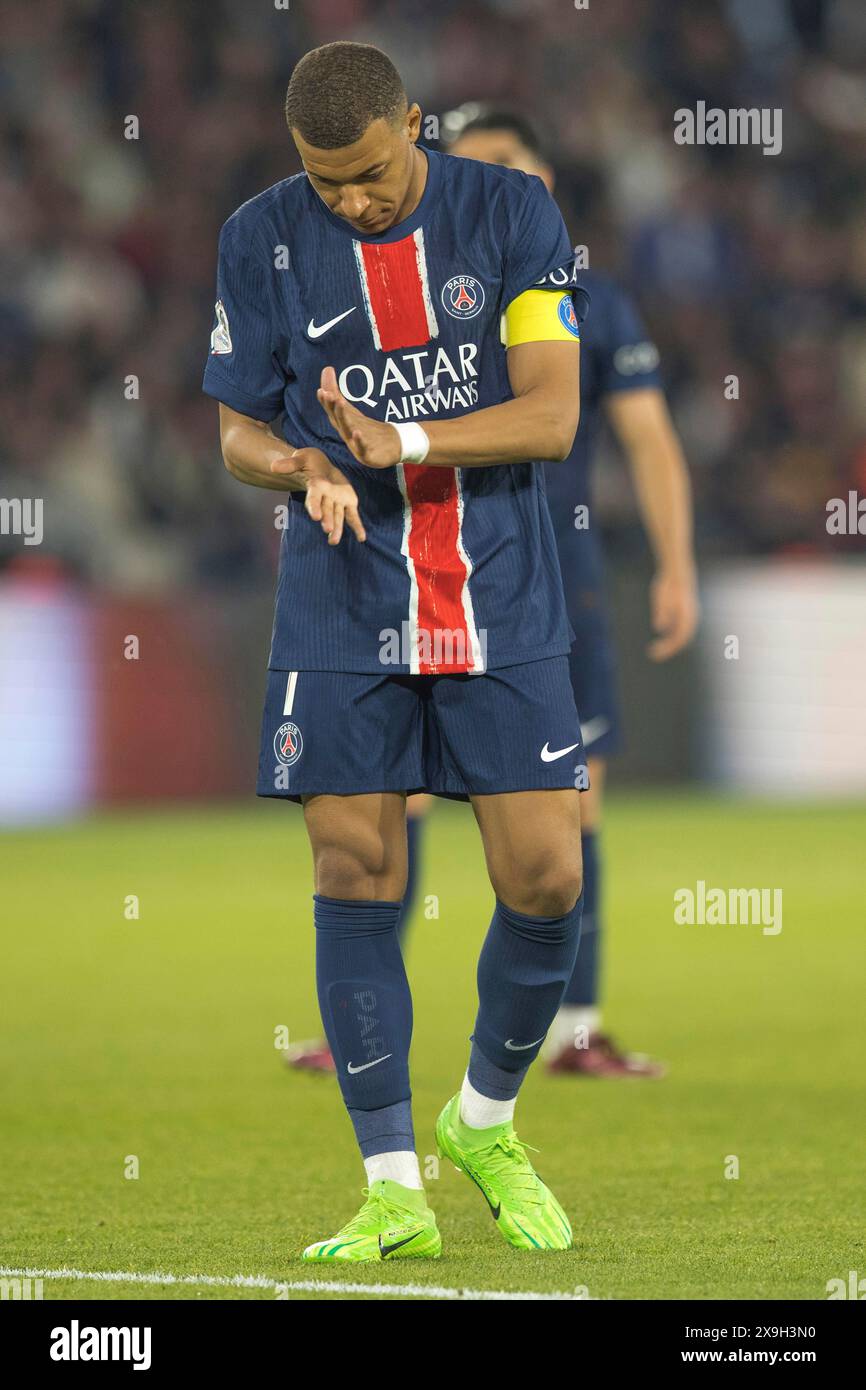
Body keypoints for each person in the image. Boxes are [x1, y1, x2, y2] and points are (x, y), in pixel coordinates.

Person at [204, 43, 591, 1262]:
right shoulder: (259, 235)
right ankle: (389, 1188)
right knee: (351, 864)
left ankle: (483, 1121)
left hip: (498, 587)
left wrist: (404, 438)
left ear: (414, 126)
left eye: (368, 175)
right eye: (326, 183)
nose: (349, 202)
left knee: (545, 878)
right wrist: (302, 461)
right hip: (339, 590)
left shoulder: (511, 209)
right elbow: (234, 430)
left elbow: (553, 413)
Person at [288, 105, 700, 1082]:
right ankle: (367, 1022)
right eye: (471, 168)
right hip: (416, 575)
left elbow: (646, 438)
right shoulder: (394, 296)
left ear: (545, 175)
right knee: (399, 801)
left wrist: (677, 563)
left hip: (552, 585)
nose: (494, 183)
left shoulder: (588, 299)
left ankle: (578, 1029)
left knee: (570, 806)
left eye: (510, 162)